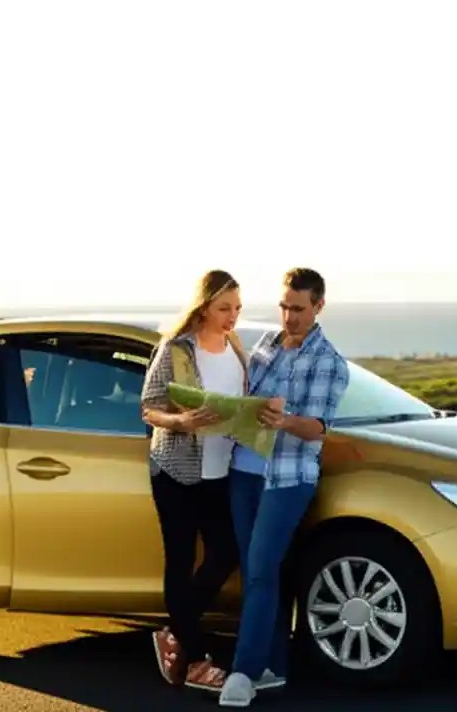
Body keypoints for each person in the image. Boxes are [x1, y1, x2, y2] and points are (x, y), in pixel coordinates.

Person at [217, 267, 351, 708]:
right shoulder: (266, 346)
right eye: (284, 306)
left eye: (298, 308)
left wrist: (284, 421)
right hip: (243, 470)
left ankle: (243, 672)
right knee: (257, 570)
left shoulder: (328, 361)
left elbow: (318, 428)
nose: (289, 316)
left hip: (288, 477)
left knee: (260, 567)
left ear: (318, 306)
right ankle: (273, 664)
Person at [140, 269, 249, 690]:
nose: (232, 316)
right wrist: (181, 421)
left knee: (225, 552)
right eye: (224, 308)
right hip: (176, 471)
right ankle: (197, 661)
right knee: (181, 561)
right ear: (204, 307)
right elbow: (148, 407)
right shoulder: (177, 348)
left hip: (220, 472)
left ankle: (176, 630)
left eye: (237, 308)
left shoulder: (235, 347)